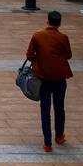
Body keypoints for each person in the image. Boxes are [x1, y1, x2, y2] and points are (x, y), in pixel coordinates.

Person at [26, 9, 73, 152]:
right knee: (59, 107)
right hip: (59, 78)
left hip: (43, 79)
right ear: (59, 23)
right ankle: (59, 136)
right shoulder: (63, 37)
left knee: (45, 109)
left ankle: (47, 143)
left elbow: (29, 54)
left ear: (47, 21)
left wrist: (39, 60)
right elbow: (68, 55)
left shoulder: (37, 35)